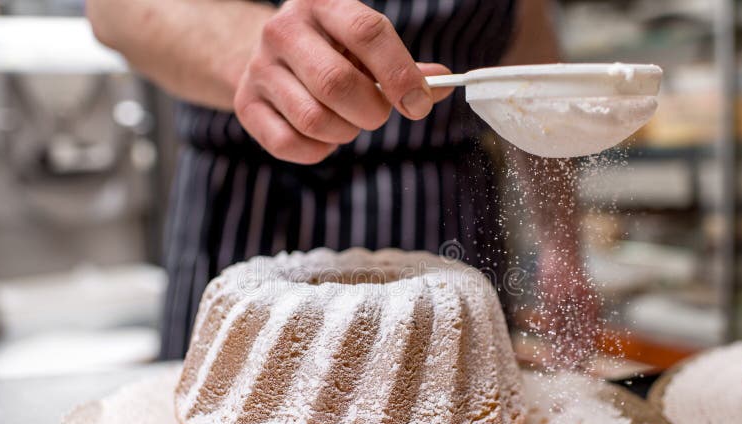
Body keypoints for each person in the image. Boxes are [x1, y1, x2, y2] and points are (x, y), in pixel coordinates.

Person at [86, 0, 598, 365]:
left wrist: (560, 245)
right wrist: (277, 62)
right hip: (248, 203)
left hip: (442, 213)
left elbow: (528, 54)